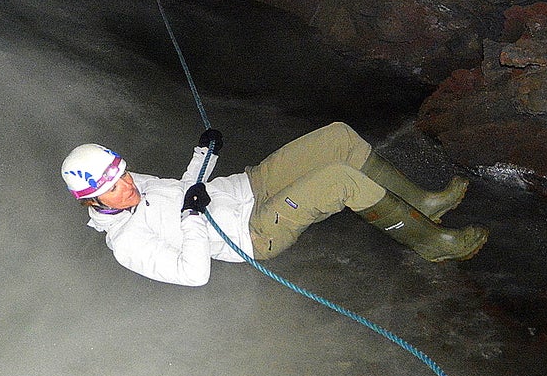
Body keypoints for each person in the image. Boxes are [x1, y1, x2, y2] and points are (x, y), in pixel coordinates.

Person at [60, 122, 488, 287]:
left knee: (337, 138)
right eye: (113, 187)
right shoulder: (127, 244)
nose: (128, 185)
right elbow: (194, 274)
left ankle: (423, 205)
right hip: (253, 232)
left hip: (247, 185)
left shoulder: (133, 184)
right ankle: (433, 242)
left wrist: (203, 153)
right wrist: (192, 217)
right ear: (91, 199)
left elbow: (185, 187)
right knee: (340, 181)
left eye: (124, 173)